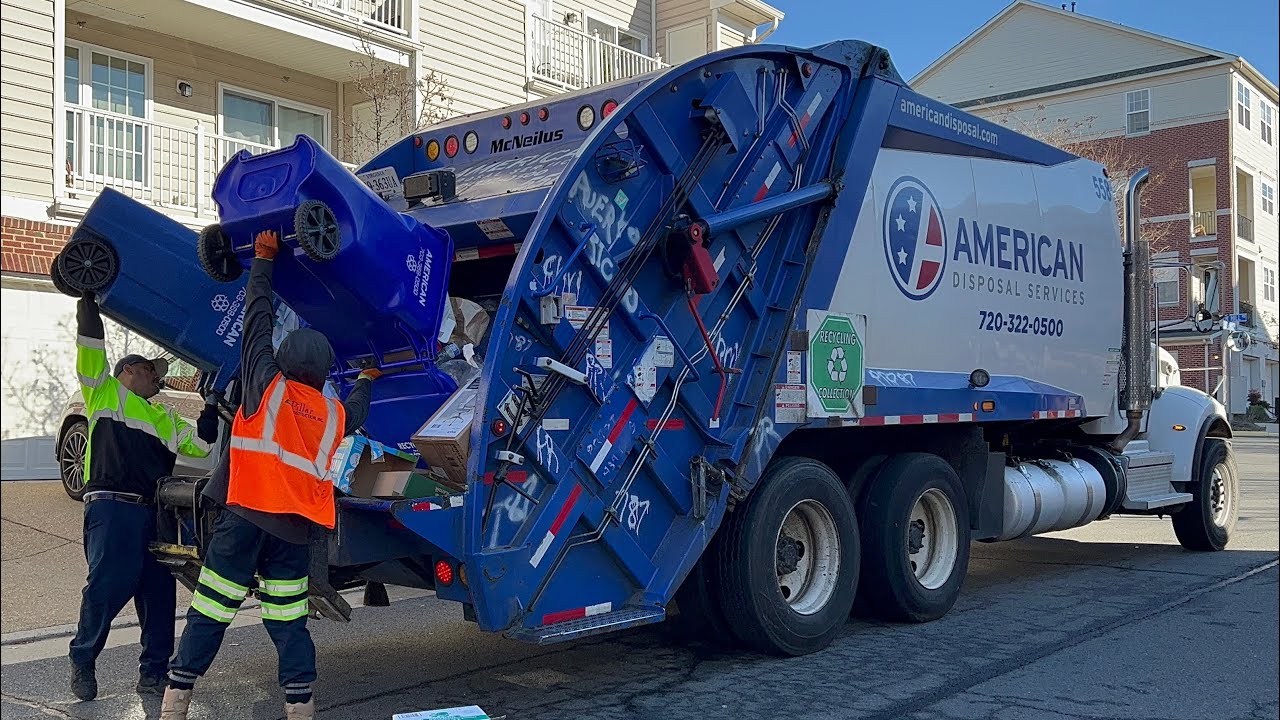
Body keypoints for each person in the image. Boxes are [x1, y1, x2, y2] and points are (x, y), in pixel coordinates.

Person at [163, 230, 378, 720]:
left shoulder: (265, 386)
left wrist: (263, 260)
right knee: (288, 622)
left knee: (213, 611)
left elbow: (255, 324)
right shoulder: (330, 414)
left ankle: (176, 701)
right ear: (323, 373)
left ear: (283, 361)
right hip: (295, 534)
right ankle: (299, 706)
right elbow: (357, 411)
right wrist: (367, 378)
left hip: (245, 521)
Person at [68, 293, 219, 701]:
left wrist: (210, 403)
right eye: (153, 371)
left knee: (158, 593)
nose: (159, 377)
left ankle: (154, 673)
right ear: (128, 371)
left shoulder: (165, 417)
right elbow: (89, 345)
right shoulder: (103, 394)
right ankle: (83, 658)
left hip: (154, 512)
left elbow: (204, 447)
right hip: (111, 507)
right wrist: (88, 300)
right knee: (108, 585)